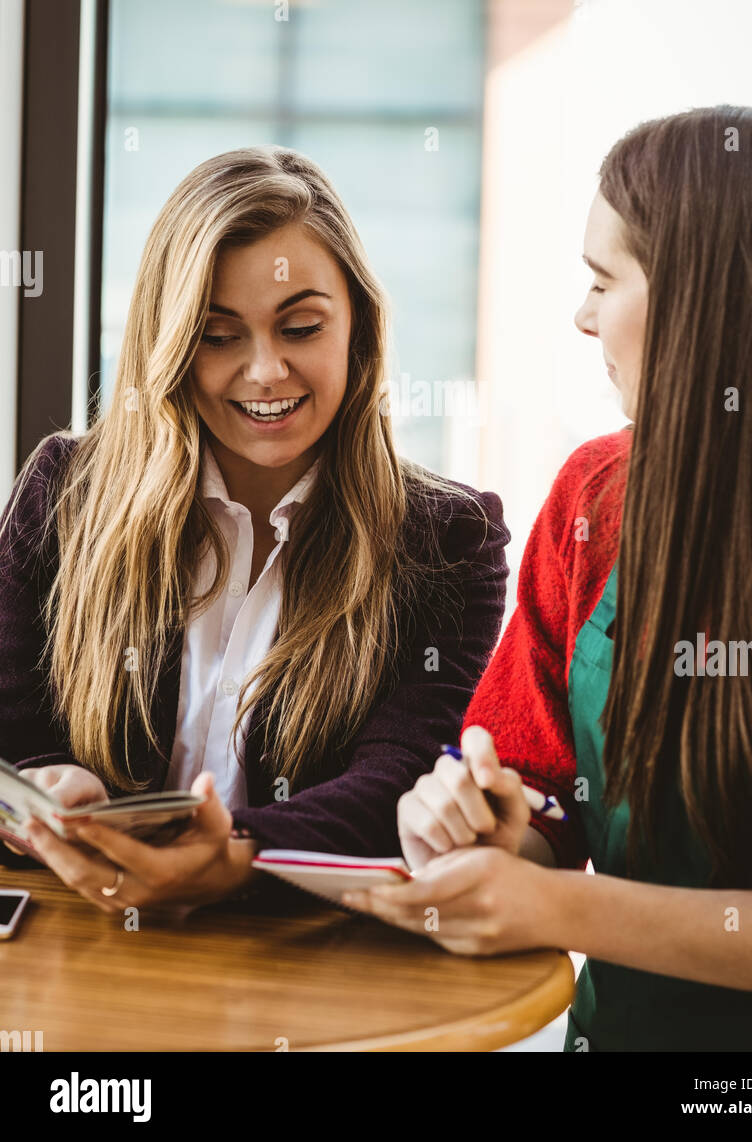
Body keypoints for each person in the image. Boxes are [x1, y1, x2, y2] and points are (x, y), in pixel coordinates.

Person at [343, 105, 752, 1051]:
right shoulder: (596, 496)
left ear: (713, 302)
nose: (583, 319)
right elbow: (533, 780)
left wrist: (560, 912)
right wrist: (493, 828)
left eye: (602, 281)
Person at [0, 146, 509, 914]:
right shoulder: (64, 494)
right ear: (169, 344)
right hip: (81, 949)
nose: (266, 370)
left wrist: (238, 853)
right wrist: (41, 787)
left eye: (300, 327)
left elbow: (397, 785)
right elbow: (13, 726)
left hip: (303, 964)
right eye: (219, 334)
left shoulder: (448, 539)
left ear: (359, 330)